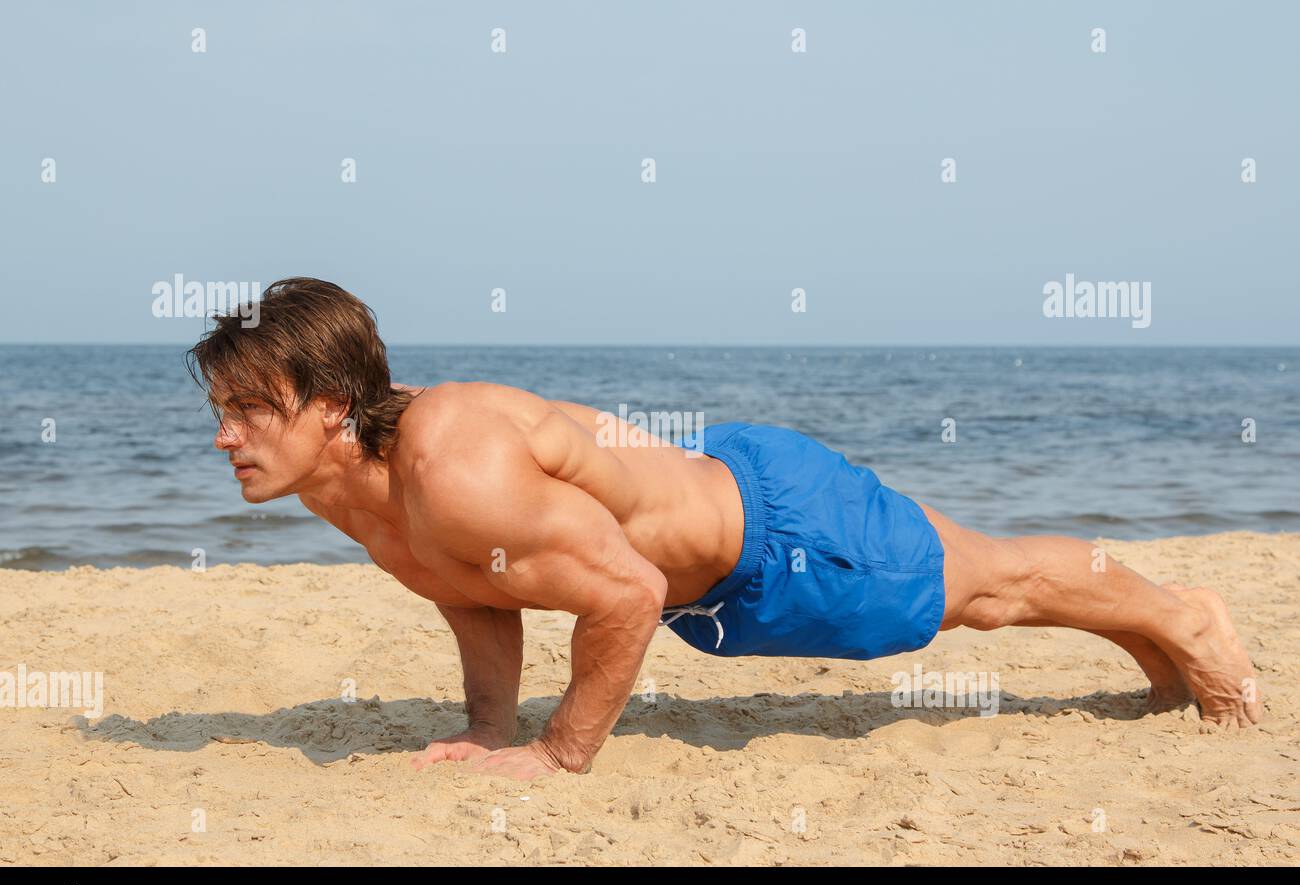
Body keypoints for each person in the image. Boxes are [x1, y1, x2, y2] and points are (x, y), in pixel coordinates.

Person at [187, 278, 1261, 781]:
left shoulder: (450, 462)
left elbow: (623, 593)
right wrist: (487, 729)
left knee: (987, 588)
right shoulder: (349, 488)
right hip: (726, 544)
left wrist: (561, 755)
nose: (227, 434)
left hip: (775, 538)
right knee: (986, 588)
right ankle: (1155, 650)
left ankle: (1188, 619)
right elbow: (478, 587)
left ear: (331, 404)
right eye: (221, 409)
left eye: (249, 408)